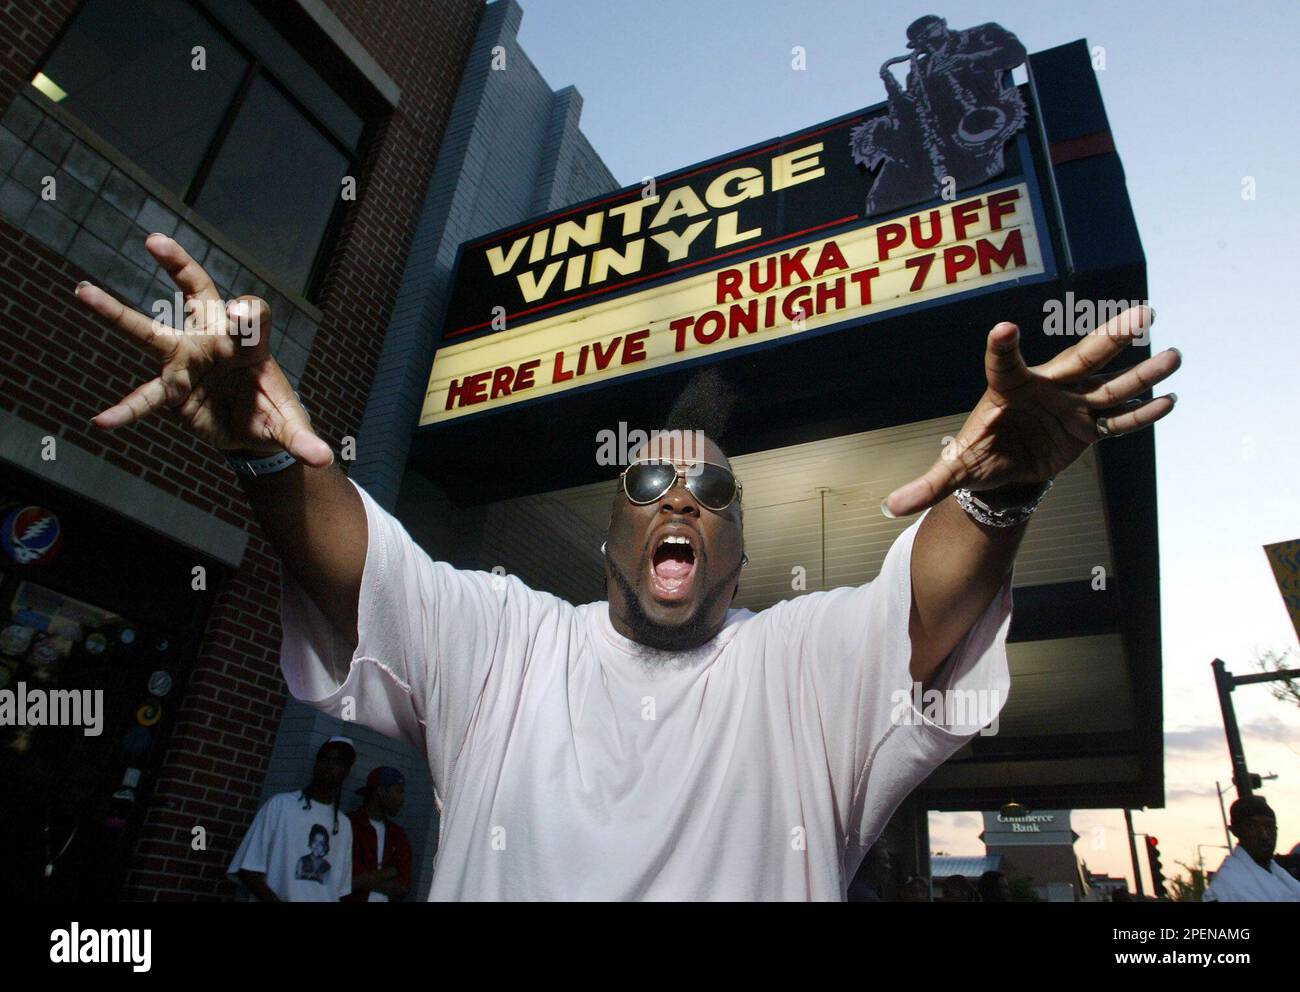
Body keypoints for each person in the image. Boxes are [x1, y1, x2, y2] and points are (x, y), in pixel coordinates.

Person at [74, 235, 1180, 900]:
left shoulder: (798, 665)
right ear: (610, 535)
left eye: (710, 493)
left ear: (740, 554)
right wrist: (265, 447)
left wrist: (1004, 485)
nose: (680, 499)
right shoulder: (506, 639)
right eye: (646, 487)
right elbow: (352, 563)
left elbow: (927, 600)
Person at [228, 736, 355, 901]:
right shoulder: (280, 805)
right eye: (325, 758)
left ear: (346, 771)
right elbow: (248, 869)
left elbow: (340, 890)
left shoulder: (343, 824)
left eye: (338, 762)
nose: (329, 766)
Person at [1204, 796, 1300, 902]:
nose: (1264, 836)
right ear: (1235, 831)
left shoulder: (1279, 874)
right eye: (1252, 826)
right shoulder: (1226, 886)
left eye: (1269, 826)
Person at [344, 766, 412, 903]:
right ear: (380, 791)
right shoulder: (349, 825)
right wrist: (390, 871)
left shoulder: (398, 835)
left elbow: (404, 886)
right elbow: (346, 882)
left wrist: (366, 880)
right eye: (398, 791)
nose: (402, 800)